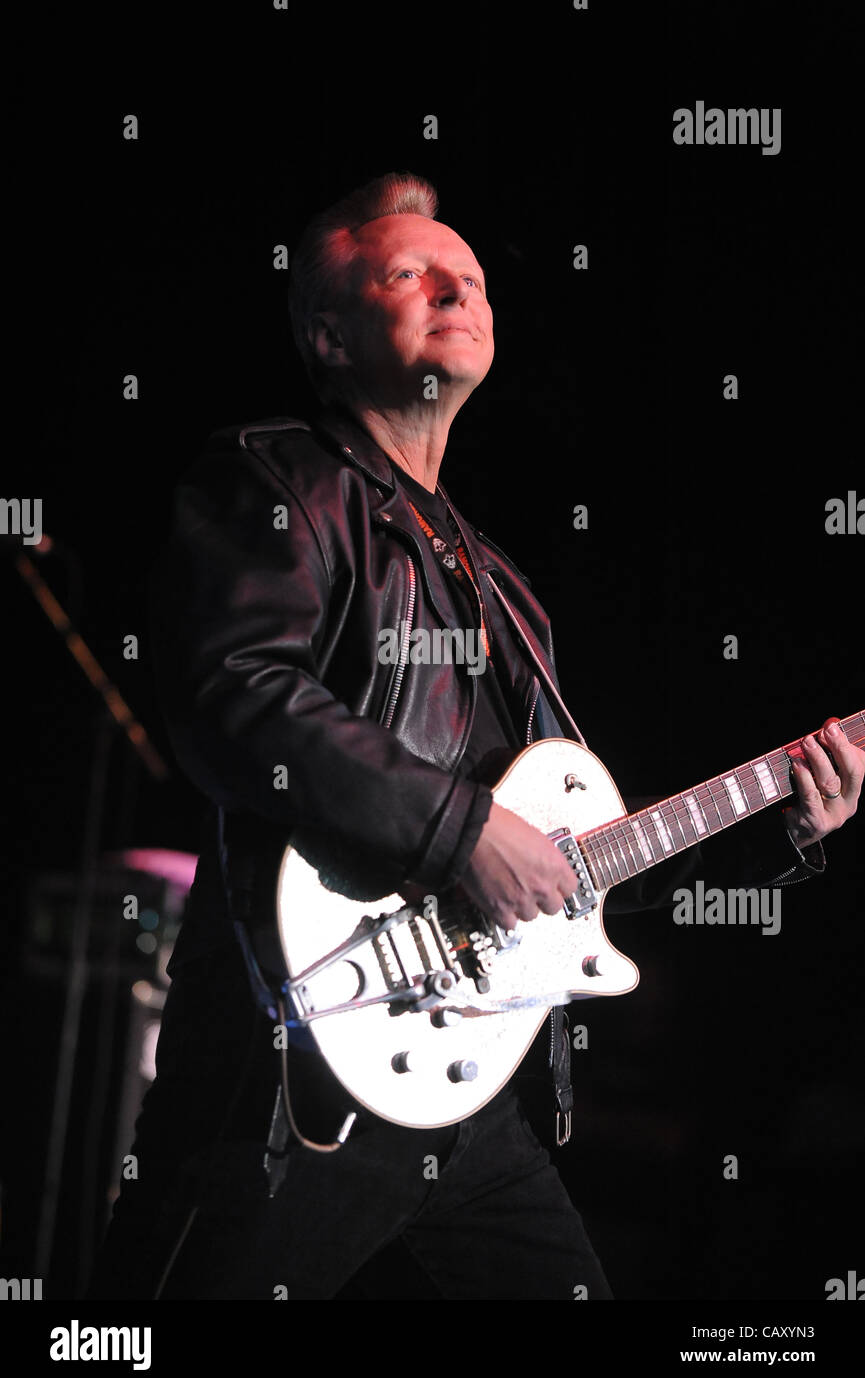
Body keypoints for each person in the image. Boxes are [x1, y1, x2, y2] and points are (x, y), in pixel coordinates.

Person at [88, 171, 862, 1301]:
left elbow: (571, 862)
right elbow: (235, 698)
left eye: (476, 279)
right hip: (291, 1077)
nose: (460, 287)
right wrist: (460, 832)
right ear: (329, 334)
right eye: (412, 274)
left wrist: (782, 817)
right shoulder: (276, 477)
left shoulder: (501, 586)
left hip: (470, 1097)